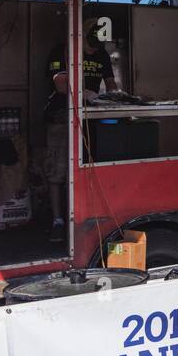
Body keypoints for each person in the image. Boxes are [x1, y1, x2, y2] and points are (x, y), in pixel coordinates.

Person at [44, 21, 119, 241]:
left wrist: (116, 97)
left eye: (98, 45)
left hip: (89, 118)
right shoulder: (62, 50)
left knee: (87, 166)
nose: (94, 49)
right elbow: (59, 83)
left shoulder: (102, 54)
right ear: (81, 36)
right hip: (60, 117)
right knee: (57, 170)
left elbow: (111, 84)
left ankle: (85, 216)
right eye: (91, 44)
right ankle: (58, 221)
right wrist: (82, 90)